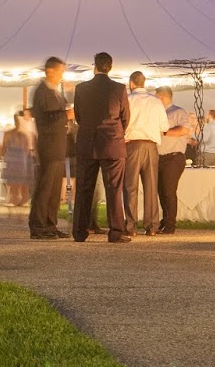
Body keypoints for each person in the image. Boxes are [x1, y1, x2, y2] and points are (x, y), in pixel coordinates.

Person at [72, 52, 130, 242]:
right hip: (112, 143)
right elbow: (125, 118)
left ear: (94, 66)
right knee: (114, 189)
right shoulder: (119, 89)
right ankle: (116, 232)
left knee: (84, 188)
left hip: (87, 142)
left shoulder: (81, 89)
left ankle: (80, 231)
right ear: (110, 67)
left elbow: (78, 116)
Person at [29, 57, 72, 239]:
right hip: (48, 144)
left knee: (55, 188)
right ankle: (38, 225)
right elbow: (44, 118)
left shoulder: (55, 91)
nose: (62, 76)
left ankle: (50, 223)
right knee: (45, 186)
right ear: (50, 71)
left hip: (59, 145)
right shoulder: (42, 91)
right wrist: (66, 114)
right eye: (60, 71)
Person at [123, 71, 167, 236]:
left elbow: (122, 122)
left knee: (130, 187)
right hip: (151, 146)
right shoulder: (156, 102)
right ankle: (151, 226)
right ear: (144, 83)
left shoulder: (127, 100)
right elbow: (165, 127)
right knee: (151, 186)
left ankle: (131, 226)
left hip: (132, 145)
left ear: (131, 83)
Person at [154, 86, 197, 234]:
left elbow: (184, 130)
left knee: (169, 191)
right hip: (159, 157)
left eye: (156, 97)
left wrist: (164, 132)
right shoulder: (157, 113)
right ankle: (165, 220)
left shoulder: (178, 112)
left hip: (173, 156)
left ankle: (171, 225)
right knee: (161, 190)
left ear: (162, 97)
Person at [3, 111, 34, 207]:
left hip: (20, 158)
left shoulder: (25, 133)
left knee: (20, 179)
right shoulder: (11, 133)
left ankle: (20, 198)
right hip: (17, 158)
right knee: (15, 179)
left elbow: (26, 148)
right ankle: (17, 198)